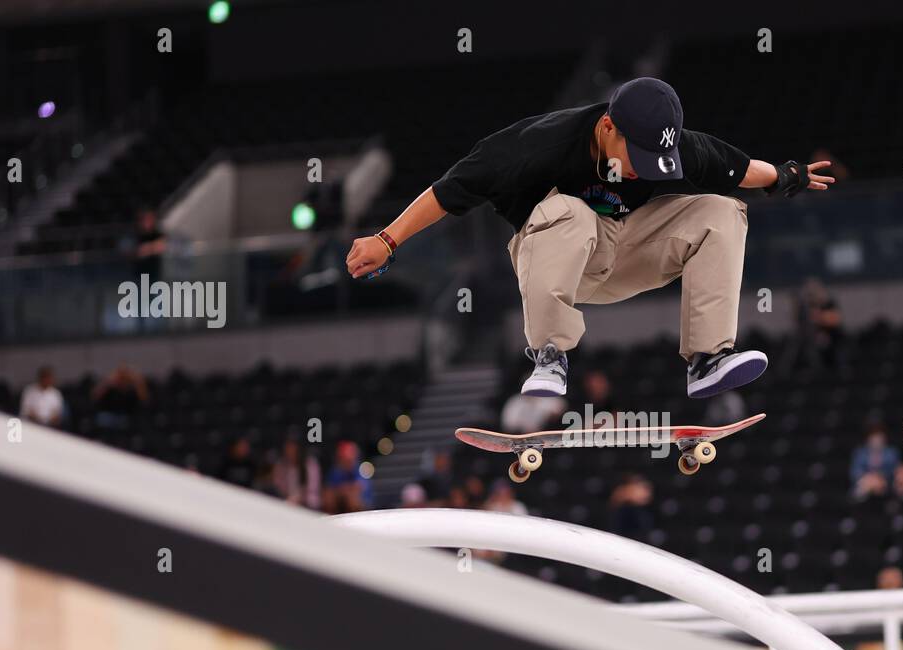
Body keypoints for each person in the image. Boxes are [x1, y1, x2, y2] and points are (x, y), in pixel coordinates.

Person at [346, 77, 835, 400]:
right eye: (636, 156)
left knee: (721, 211)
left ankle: (708, 360)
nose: (642, 170)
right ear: (607, 127)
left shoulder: (680, 148)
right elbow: (448, 191)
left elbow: (741, 169)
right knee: (572, 212)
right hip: (551, 260)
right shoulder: (536, 145)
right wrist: (387, 241)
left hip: (626, 254)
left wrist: (786, 177)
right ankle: (549, 355)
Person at [849, 423, 900, 500]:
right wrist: (869, 479)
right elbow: (855, 472)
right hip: (866, 483)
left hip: (886, 484)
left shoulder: (891, 453)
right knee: (860, 489)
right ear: (868, 439)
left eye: (879, 437)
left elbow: (895, 471)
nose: (876, 440)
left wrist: (880, 479)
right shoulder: (860, 453)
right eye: (874, 437)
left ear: (884, 438)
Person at [91, 363, 149, 430]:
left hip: (128, 418)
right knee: (102, 418)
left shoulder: (132, 391)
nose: (122, 382)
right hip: (111, 416)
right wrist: (108, 382)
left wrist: (137, 381)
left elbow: (144, 400)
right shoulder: (111, 389)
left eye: (124, 379)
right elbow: (95, 396)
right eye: (121, 379)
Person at [322, 440, 373, 514]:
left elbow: (360, 489)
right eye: (344, 460)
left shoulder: (361, 470)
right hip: (339, 506)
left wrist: (345, 491)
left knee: (353, 498)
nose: (347, 463)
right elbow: (328, 494)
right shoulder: (335, 472)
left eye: (349, 460)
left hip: (363, 507)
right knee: (329, 496)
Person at [272, 437, 322, 510]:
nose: (290, 452)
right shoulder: (282, 465)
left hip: (308, 504)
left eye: (292, 449)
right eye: (287, 449)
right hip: (289, 503)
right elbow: (278, 487)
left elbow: (312, 488)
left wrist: (298, 498)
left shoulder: (310, 464)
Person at [609, 473, 654, 541]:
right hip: (623, 514)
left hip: (637, 517)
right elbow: (614, 501)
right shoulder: (623, 489)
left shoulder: (645, 488)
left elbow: (646, 500)